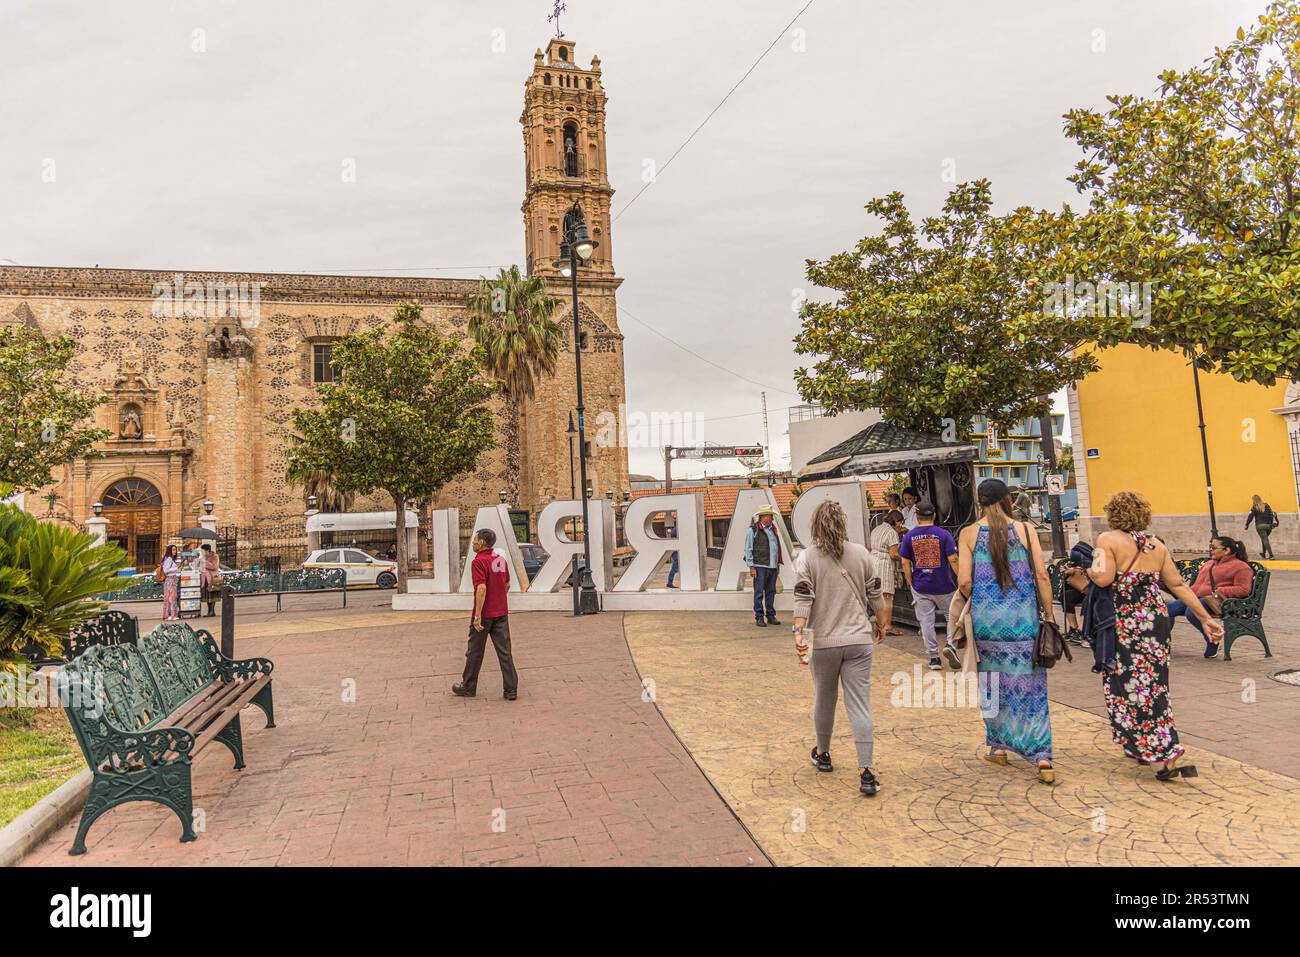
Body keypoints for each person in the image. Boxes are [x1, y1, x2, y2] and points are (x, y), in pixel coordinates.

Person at [1087, 491, 1223, 780]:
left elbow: (1103, 578)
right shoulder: (1156, 545)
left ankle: (1166, 751)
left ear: (1113, 514)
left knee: (1128, 685)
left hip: (1125, 623)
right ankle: (1142, 746)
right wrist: (1206, 618)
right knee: (1154, 684)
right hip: (1155, 622)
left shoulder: (1106, 541)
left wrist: (1089, 568)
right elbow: (1179, 586)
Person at [957, 479, 1055, 784]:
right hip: (1023, 620)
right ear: (1008, 499)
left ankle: (998, 748)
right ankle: (1041, 756)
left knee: (991, 684)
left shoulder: (969, 533)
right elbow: (1041, 573)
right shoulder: (1026, 530)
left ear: (980, 501)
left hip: (987, 622)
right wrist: (1049, 615)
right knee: (1030, 685)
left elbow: (963, 581)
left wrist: (983, 597)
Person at [792, 499, 883, 796]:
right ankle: (866, 770)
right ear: (843, 523)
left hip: (824, 642)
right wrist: (882, 622)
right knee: (860, 704)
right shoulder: (861, 553)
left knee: (824, 698)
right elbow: (875, 593)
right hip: (859, 640)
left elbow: (803, 598)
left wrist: (799, 635)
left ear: (815, 525)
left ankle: (824, 753)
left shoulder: (807, 558)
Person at [452, 529, 519, 700]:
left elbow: (481, 588)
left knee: (474, 651)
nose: (473, 542)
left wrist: (478, 615)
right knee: (505, 652)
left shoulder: (478, 562)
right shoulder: (500, 560)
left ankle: (468, 686)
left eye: (475, 539)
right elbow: (507, 584)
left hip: (485, 613)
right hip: (501, 612)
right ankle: (511, 689)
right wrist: (499, 598)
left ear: (481, 542)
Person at [1166, 535, 1253, 658]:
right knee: (1165, 610)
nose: (1210, 550)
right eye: (1210, 547)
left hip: (1217, 601)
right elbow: (1198, 585)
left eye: (1213, 547)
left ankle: (1212, 641)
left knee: (1191, 611)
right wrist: (1187, 594)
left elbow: (1244, 589)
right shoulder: (1209, 564)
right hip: (1196, 597)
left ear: (1226, 550)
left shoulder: (1241, 567)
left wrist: (1220, 590)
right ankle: (1162, 642)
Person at [899, 502, 960, 671]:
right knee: (952, 617)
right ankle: (950, 645)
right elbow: (953, 559)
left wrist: (911, 582)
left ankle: (934, 658)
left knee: (926, 622)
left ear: (917, 517)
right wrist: (961, 579)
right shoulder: (944, 534)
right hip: (945, 585)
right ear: (934, 516)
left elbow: (905, 563)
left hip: (921, 586)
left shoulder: (909, 537)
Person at [868, 509, 904, 637]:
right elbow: (893, 554)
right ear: (896, 521)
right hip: (884, 563)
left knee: (877, 596)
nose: (901, 525)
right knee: (887, 597)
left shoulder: (876, 529)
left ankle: (879, 625)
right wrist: (905, 559)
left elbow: (870, 547)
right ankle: (887, 626)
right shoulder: (891, 532)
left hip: (872, 562)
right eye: (900, 522)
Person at [745, 505, 783, 627]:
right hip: (759, 566)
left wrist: (777, 565)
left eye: (772, 516)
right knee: (759, 593)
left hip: (772, 566)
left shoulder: (773, 529)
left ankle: (771, 616)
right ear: (763, 517)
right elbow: (748, 549)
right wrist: (751, 567)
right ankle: (759, 617)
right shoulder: (753, 530)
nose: (772, 518)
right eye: (770, 516)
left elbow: (775, 549)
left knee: (771, 592)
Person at [1245, 494, 1276, 560]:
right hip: (1268, 526)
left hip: (1260, 526)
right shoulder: (1266, 505)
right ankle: (1263, 553)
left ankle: (1271, 555)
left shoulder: (1254, 507)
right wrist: (1271, 524)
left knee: (1265, 539)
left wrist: (1247, 525)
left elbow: (1250, 517)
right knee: (1264, 539)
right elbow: (1271, 514)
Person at [200, 543, 222, 617]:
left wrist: (204, 562)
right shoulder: (203, 557)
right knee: (207, 596)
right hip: (205, 578)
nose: (202, 552)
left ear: (207, 550)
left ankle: (212, 611)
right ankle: (210, 611)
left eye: (202, 550)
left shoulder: (215, 556)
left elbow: (215, 566)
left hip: (212, 578)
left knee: (212, 595)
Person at [160, 544, 181, 621]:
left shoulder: (170, 559)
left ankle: (167, 615)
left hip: (171, 579)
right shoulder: (169, 559)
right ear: (169, 550)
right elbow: (166, 570)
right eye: (173, 550)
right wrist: (175, 569)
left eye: (175, 549)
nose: (175, 551)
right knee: (172, 598)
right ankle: (173, 615)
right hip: (170, 579)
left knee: (169, 598)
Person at [664, 512, 679, 588]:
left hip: (675, 551)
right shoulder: (676, 530)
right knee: (674, 567)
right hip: (676, 551)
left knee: (676, 567)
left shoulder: (675, 529)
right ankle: (669, 582)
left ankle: (670, 582)